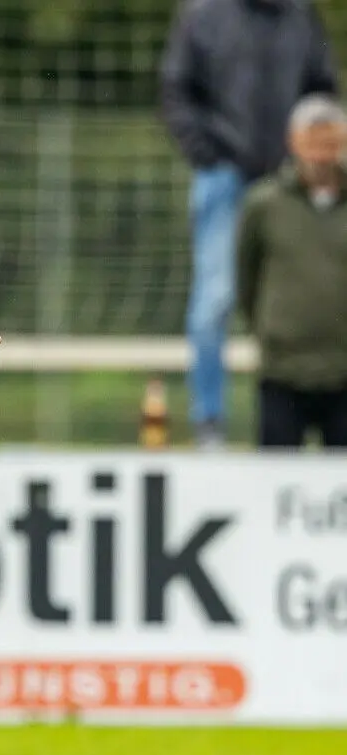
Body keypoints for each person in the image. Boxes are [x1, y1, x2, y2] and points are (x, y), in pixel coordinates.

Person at [159, 0, 337, 450]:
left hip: (287, 185)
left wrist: (305, 159)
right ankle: (210, 425)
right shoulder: (201, 15)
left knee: (319, 293)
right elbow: (176, 90)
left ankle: (313, 411)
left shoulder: (300, 15)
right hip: (223, 177)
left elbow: (322, 90)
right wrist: (207, 154)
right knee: (213, 303)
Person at [237, 95, 347, 449]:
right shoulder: (264, 205)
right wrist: (270, 332)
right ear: (293, 143)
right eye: (311, 143)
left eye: (329, 142)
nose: (320, 154)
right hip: (282, 373)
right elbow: (246, 278)